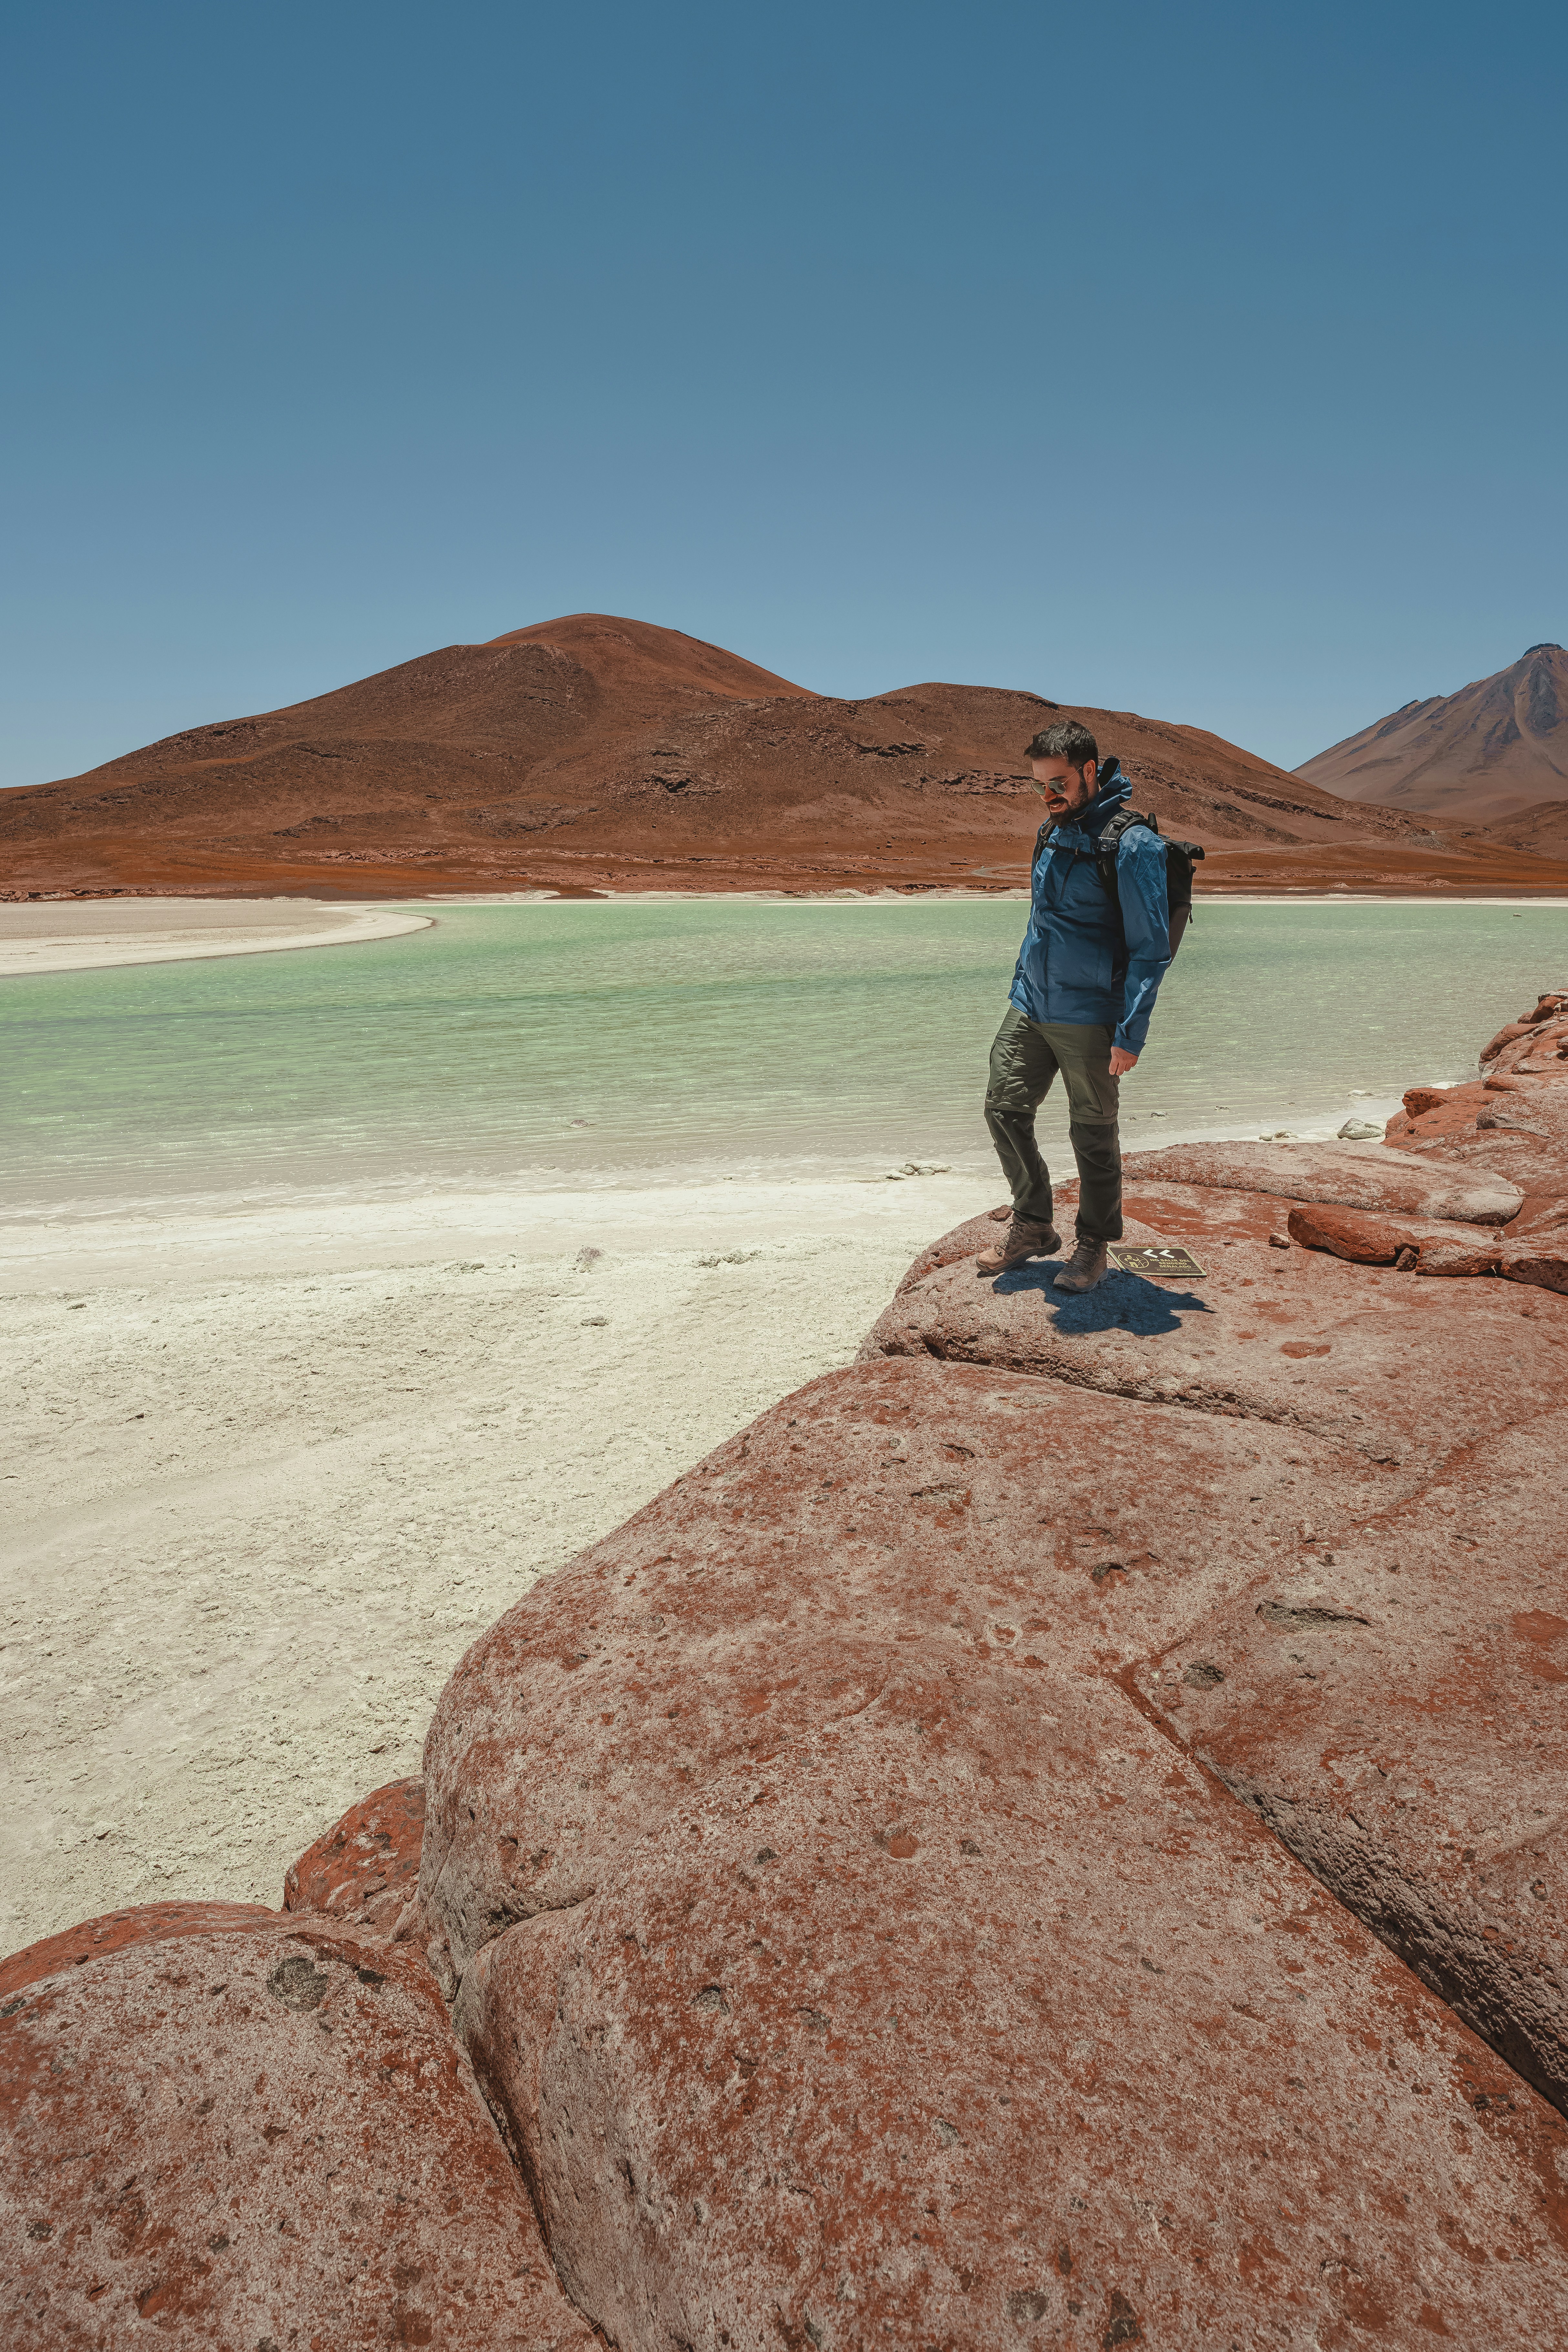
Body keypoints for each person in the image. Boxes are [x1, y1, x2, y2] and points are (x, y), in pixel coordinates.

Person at [976, 718, 1172, 1293]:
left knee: (1092, 1132)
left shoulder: (1132, 843)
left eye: (1059, 782)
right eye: (1040, 784)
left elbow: (1150, 950)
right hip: (1031, 1004)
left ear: (1090, 770)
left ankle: (1093, 1245)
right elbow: (1040, 923)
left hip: (1090, 1014)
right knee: (1003, 1108)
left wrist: (1130, 1033)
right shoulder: (1051, 830)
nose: (1048, 795)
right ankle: (1034, 1224)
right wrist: (1021, 986)